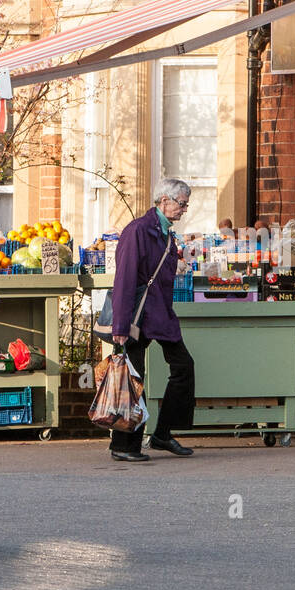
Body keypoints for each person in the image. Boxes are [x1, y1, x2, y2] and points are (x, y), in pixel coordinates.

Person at [108, 178, 197, 462]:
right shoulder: (138, 231)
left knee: (183, 367)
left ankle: (162, 433)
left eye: (185, 204)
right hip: (136, 316)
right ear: (164, 200)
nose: (184, 209)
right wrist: (120, 327)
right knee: (133, 379)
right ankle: (124, 445)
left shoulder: (166, 233)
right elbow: (123, 279)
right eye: (181, 203)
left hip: (159, 314)